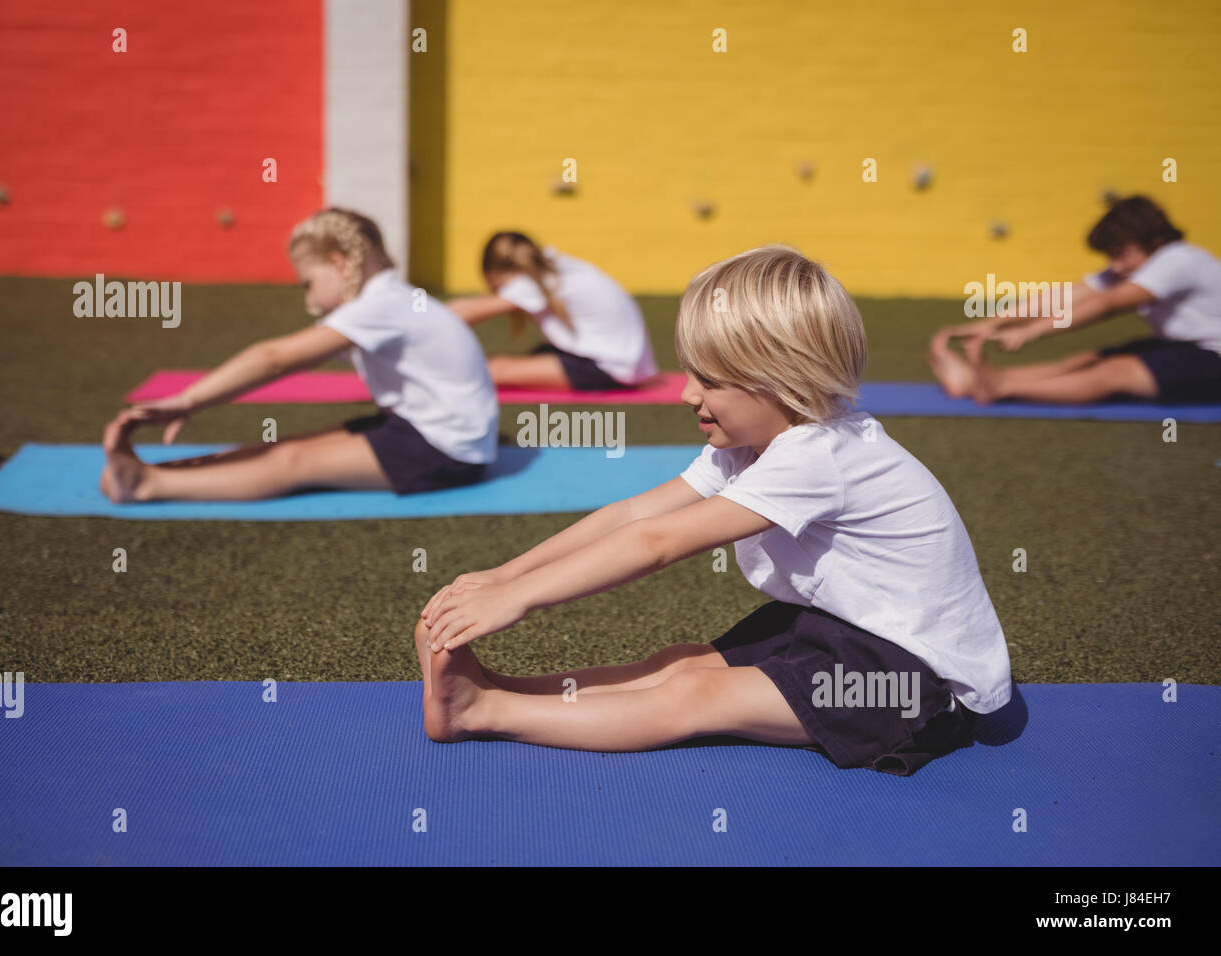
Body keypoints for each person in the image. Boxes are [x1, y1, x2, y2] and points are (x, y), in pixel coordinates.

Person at [415, 245, 1012, 775]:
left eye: (711, 379)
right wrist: (503, 576)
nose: (685, 393)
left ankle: (484, 711)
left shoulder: (819, 455)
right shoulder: (747, 445)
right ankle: (500, 690)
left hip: (909, 681)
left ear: (782, 380)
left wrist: (520, 598)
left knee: (695, 698)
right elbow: (632, 516)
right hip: (848, 627)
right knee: (680, 664)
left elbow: (659, 544)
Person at [100, 209, 497, 501]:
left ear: (339, 264)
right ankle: (159, 471)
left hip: (447, 449)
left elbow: (277, 358)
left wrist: (189, 400)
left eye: (308, 284)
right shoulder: (391, 299)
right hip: (421, 427)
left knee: (294, 460)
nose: (309, 301)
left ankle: (147, 484)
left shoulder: (383, 305)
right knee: (286, 446)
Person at [928, 195, 1221, 404]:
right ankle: (983, 380)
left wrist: (1030, 332)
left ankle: (1001, 386)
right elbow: (1065, 297)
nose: (1116, 266)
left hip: (1213, 357)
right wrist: (991, 324)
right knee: (1088, 359)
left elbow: (1106, 304)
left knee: (1115, 372)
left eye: (1120, 253)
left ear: (1149, 238)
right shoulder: (1142, 264)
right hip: (1187, 347)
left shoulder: (1178, 259)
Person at [447, 232, 659, 389]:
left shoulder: (529, 283)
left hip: (613, 368)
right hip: (628, 362)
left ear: (495, 275)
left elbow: (467, 312)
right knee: (520, 360)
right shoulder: (553, 266)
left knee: (489, 370)